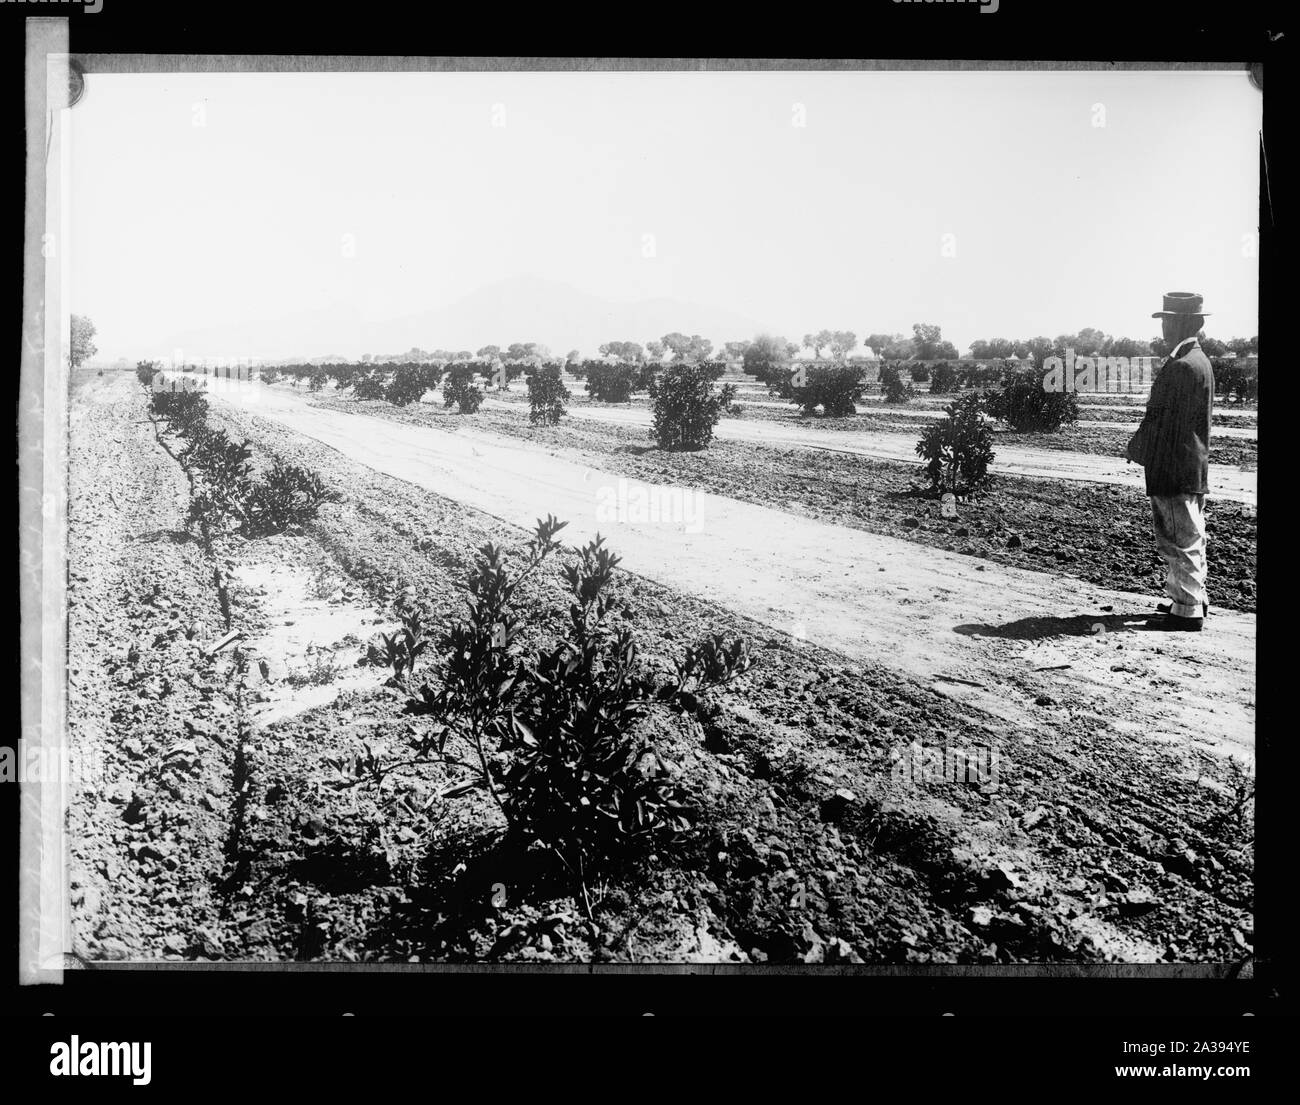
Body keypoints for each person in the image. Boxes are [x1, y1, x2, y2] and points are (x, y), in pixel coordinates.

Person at [1125, 292, 1215, 631]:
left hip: (1173, 467)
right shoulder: (1198, 360)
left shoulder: (1180, 366)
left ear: (1181, 322)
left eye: (1166, 320)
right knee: (1189, 534)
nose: (1163, 327)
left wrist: (1137, 448)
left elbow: (1158, 418)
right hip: (1190, 465)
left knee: (1179, 538)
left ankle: (1188, 611)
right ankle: (1187, 599)